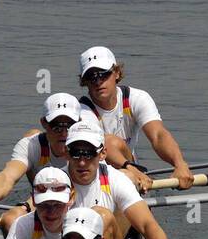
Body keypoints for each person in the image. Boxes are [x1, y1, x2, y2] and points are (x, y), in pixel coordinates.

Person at [0, 93, 133, 230]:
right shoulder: (32, 146)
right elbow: (7, 177)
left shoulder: (92, 144)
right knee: (12, 219)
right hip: (50, 207)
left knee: (126, 176)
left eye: (69, 125)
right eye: (57, 126)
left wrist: (130, 171)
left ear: (79, 123)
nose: (64, 132)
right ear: (44, 123)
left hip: (99, 213)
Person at [64, 122, 180, 239]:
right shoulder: (54, 181)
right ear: (66, 153)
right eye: (76, 153)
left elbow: (146, 224)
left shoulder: (116, 179)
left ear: (103, 154)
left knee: (100, 217)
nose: (82, 162)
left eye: (89, 153)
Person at [77, 45, 194, 192]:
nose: (98, 81)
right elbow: (104, 144)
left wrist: (180, 164)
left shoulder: (136, 98)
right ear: (84, 81)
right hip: (94, 175)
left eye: (103, 74)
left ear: (117, 73)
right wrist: (130, 169)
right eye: (91, 77)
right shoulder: (81, 110)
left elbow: (158, 135)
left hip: (129, 170)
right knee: (111, 141)